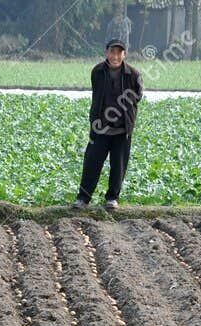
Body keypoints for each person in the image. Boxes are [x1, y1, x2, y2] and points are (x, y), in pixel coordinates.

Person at [76, 38, 143, 210]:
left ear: (124, 54)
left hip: (122, 129)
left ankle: (112, 198)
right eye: (112, 52)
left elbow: (138, 96)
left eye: (119, 53)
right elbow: (97, 95)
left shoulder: (133, 75)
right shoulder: (97, 71)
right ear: (107, 53)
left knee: (118, 166)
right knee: (91, 163)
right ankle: (83, 198)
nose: (115, 56)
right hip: (100, 127)